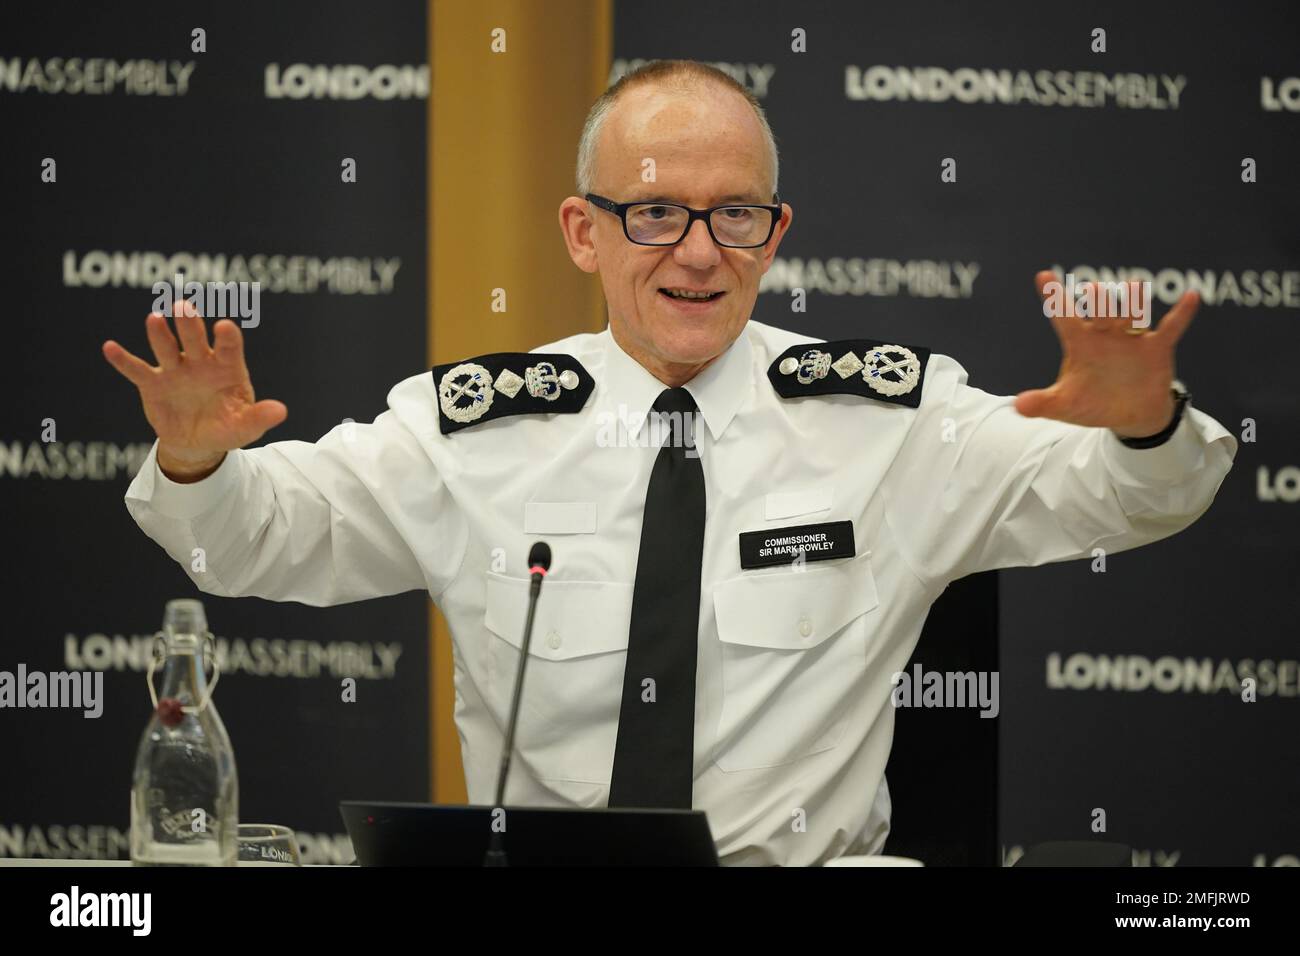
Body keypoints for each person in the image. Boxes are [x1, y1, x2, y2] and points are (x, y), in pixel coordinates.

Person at [102, 60, 1236, 866]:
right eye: (652, 212)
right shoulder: (471, 427)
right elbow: (258, 540)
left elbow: (1123, 499)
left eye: (734, 214)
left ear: (774, 234)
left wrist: (1143, 425)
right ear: (582, 232)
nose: (697, 252)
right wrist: (198, 461)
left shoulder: (890, 418)